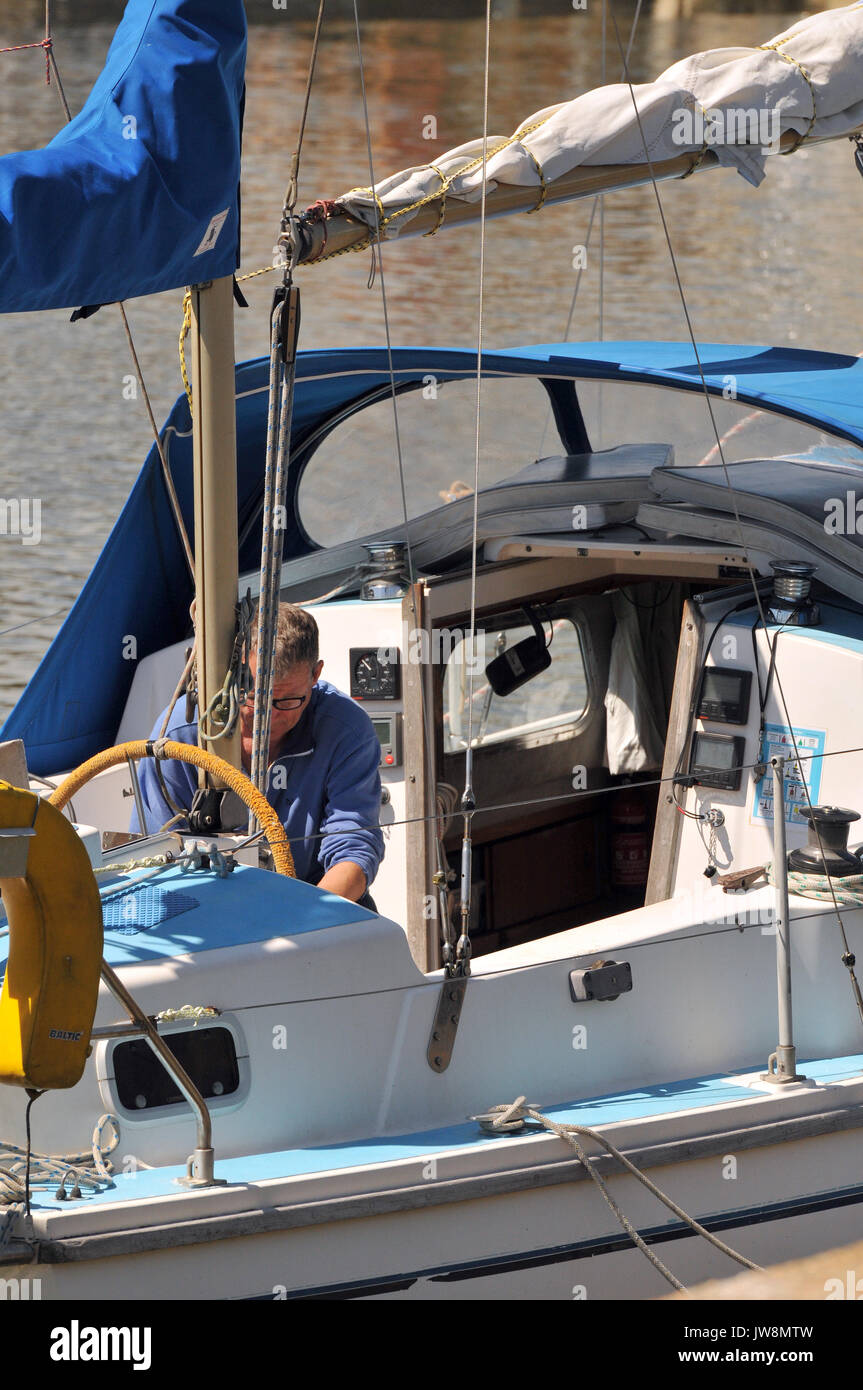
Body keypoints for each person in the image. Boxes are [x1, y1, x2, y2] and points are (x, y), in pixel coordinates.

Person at [131, 603, 384, 906]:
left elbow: (353, 847)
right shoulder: (177, 739)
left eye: (288, 700)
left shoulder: (347, 731)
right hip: (198, 905)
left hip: (312, 902)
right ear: (233, 674)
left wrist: (302, 923)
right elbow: (155, 857)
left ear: (315, 675)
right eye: (251, 698)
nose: (265, 718)